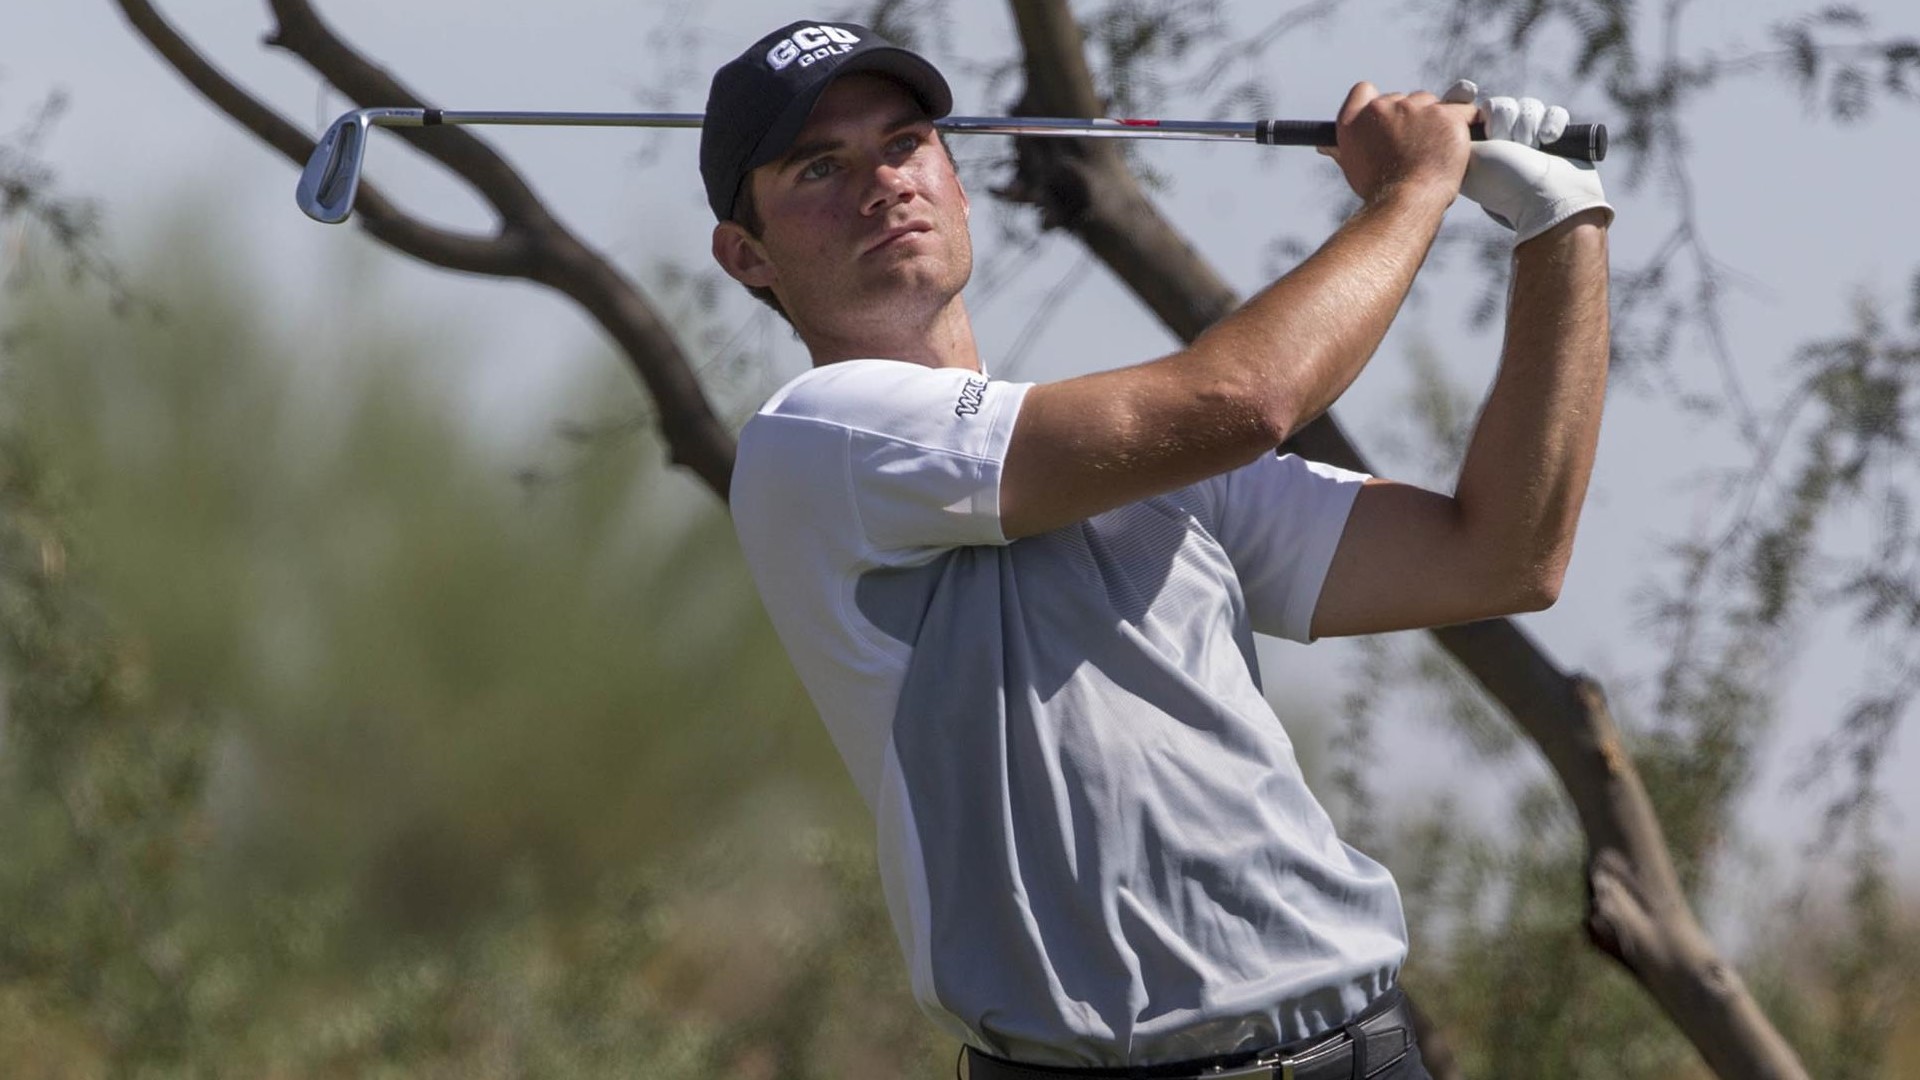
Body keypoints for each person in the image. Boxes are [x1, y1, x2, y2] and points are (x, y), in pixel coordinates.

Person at [705, 17, 1611, 1080]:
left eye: (906, 144)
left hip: (1362, 1052)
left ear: (956, 180)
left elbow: (1500, 557)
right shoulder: (817, 439)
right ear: (746, 254)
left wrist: (1562, 226)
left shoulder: (1138, 458)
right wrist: (1413, 190)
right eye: (821, 166)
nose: (883, 184)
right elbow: (1248, 399)